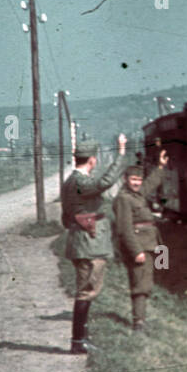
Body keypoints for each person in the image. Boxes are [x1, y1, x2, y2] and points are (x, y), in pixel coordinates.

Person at [61, 135, 127, 354]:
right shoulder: (80, 182)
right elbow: (105, 182)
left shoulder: (70, 181)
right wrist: (121, 153)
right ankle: (78, 341)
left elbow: (65, 217)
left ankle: (82, 338)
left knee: (86, 290)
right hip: (88, 244)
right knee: (86, 291)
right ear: (92, 160)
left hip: (82, 241)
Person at [113, 148, 170, 330]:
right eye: (133, 180)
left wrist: (161, 167)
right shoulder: (124, 199)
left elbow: (150, 184)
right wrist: (136, 251)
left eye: (139, 180)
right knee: (140, 284)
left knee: (145, 280)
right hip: (139, 247)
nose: (137, 183)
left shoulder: (136, 195)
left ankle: (141, 318)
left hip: (149, 244)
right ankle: (139, 322)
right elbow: (124, 229)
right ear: (125, 180)